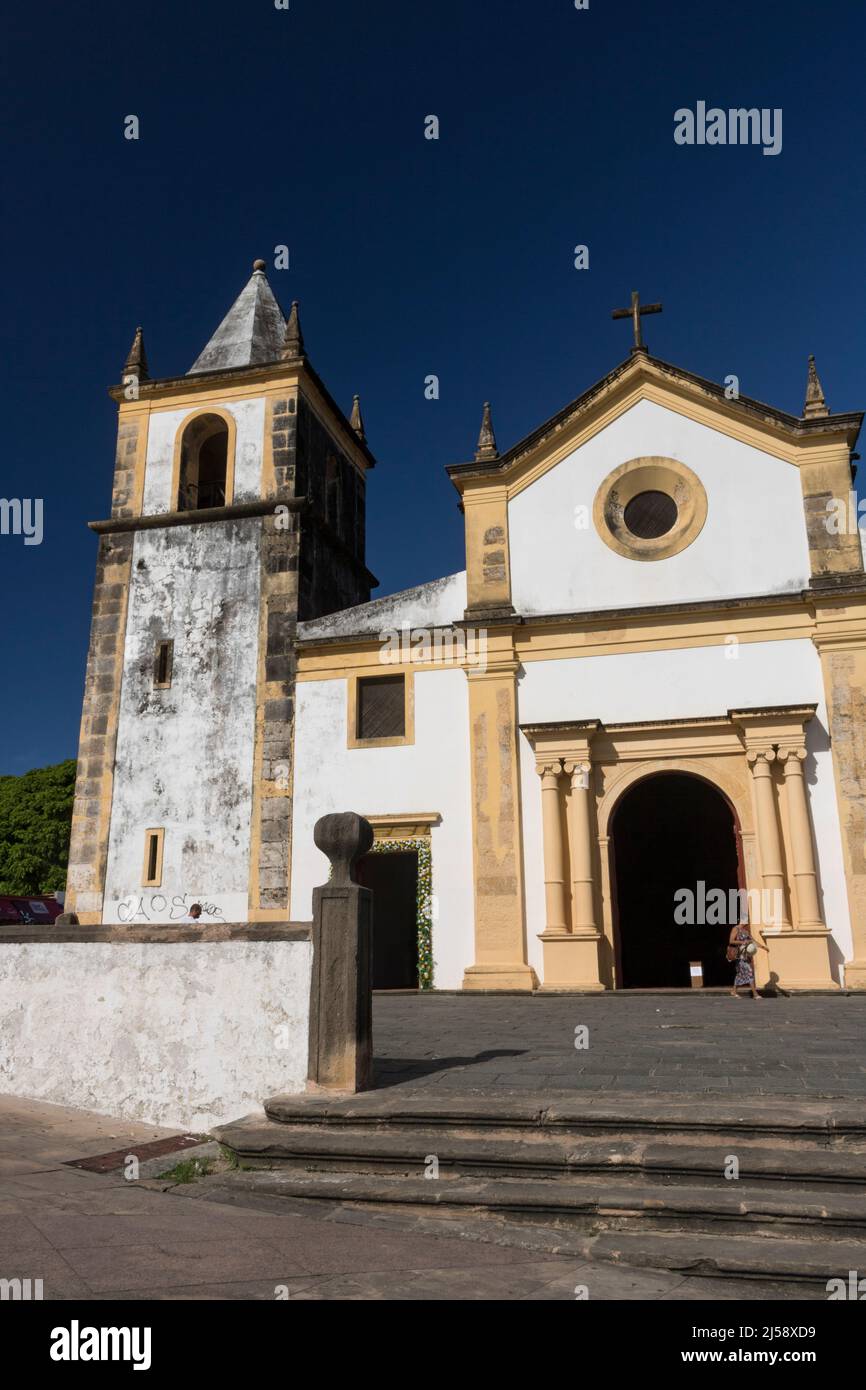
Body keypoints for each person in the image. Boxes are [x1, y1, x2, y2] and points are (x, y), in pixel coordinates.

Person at [728, 920, 769, 999]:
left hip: (747, 956)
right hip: (740, 955)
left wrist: (763, 947)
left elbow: (753, 941)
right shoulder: (735, 929)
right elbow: (731, 941)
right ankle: (755, 994)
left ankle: (734, 991)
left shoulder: (745, 931)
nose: (747, 922)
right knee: (749, 972)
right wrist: (743, 942)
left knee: (740, 974)